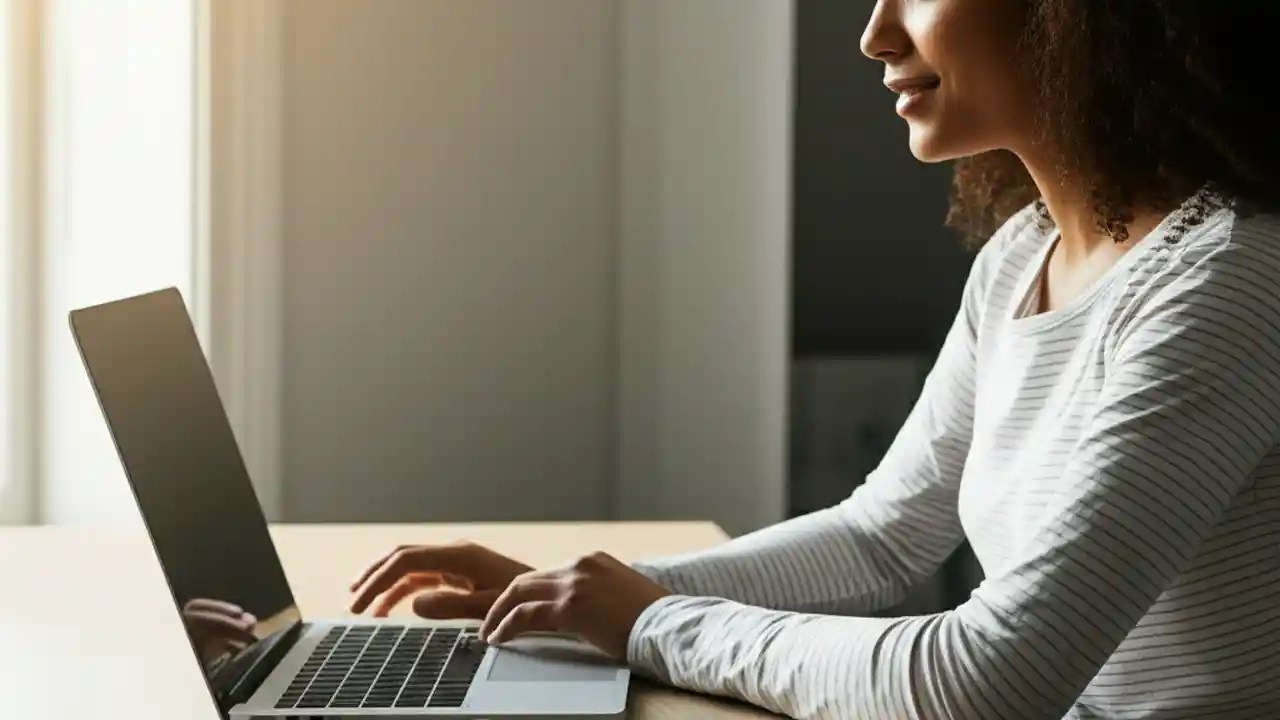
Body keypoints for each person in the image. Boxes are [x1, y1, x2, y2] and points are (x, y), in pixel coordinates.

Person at [349, 1, 1280, 717]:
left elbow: (988, 685)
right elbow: (881, 536)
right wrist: (579, 594)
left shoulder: (1230, 281)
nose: (876, 34)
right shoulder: (1022, 256)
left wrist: (645, 623)